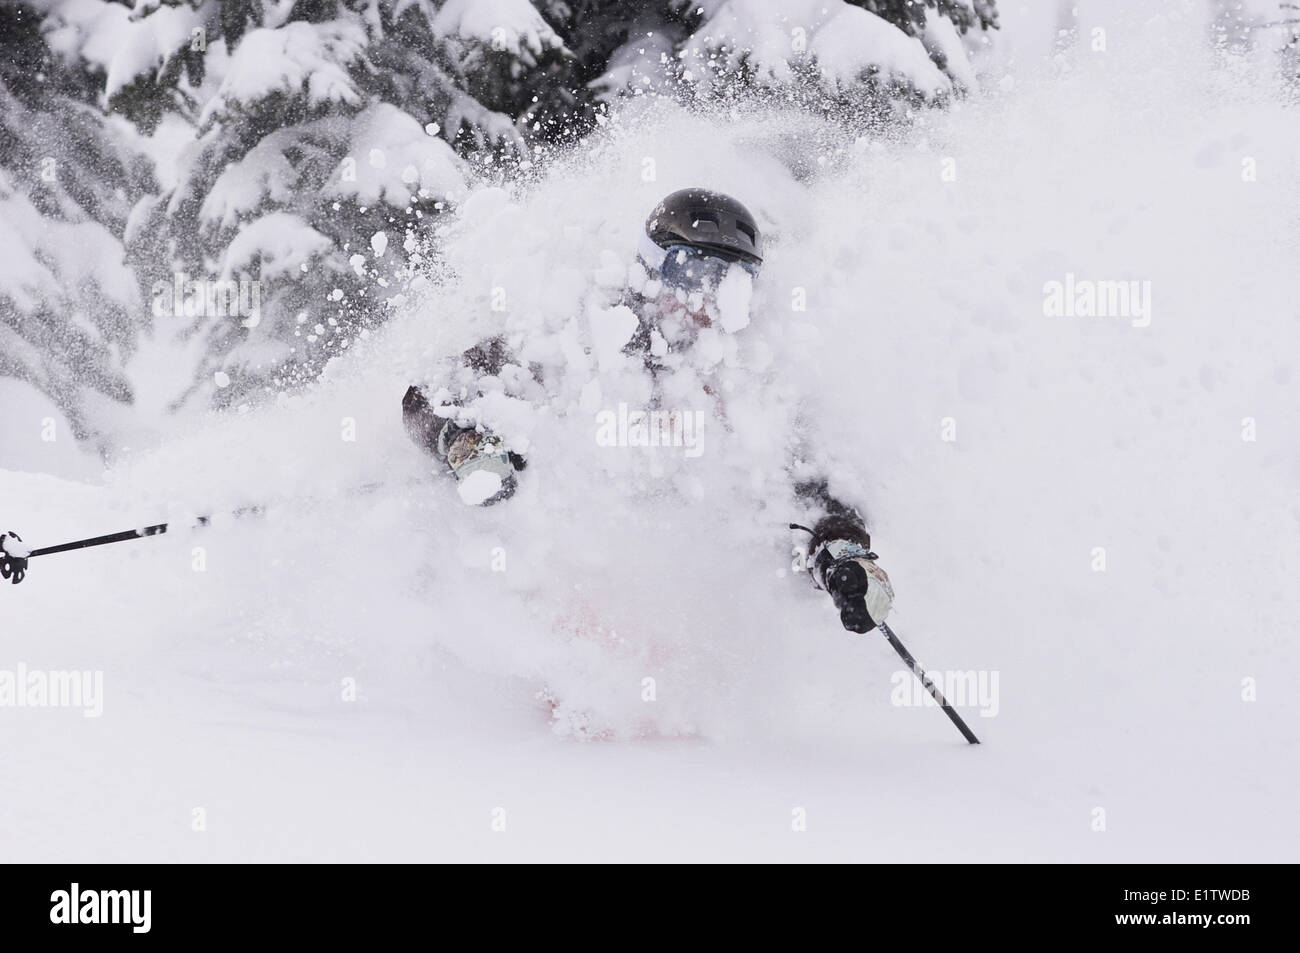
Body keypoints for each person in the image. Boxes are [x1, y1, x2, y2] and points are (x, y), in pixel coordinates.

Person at [402, 188, 894, 633]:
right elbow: (427, 397)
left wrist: (842, 554)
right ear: (651, 267)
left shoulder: (749, 374)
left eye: (732, 282)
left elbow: (807, 478)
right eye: (693, 272)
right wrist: (467, 441)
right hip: (556, 589)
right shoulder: (576, 341)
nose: (708, 300)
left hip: (686, 609)